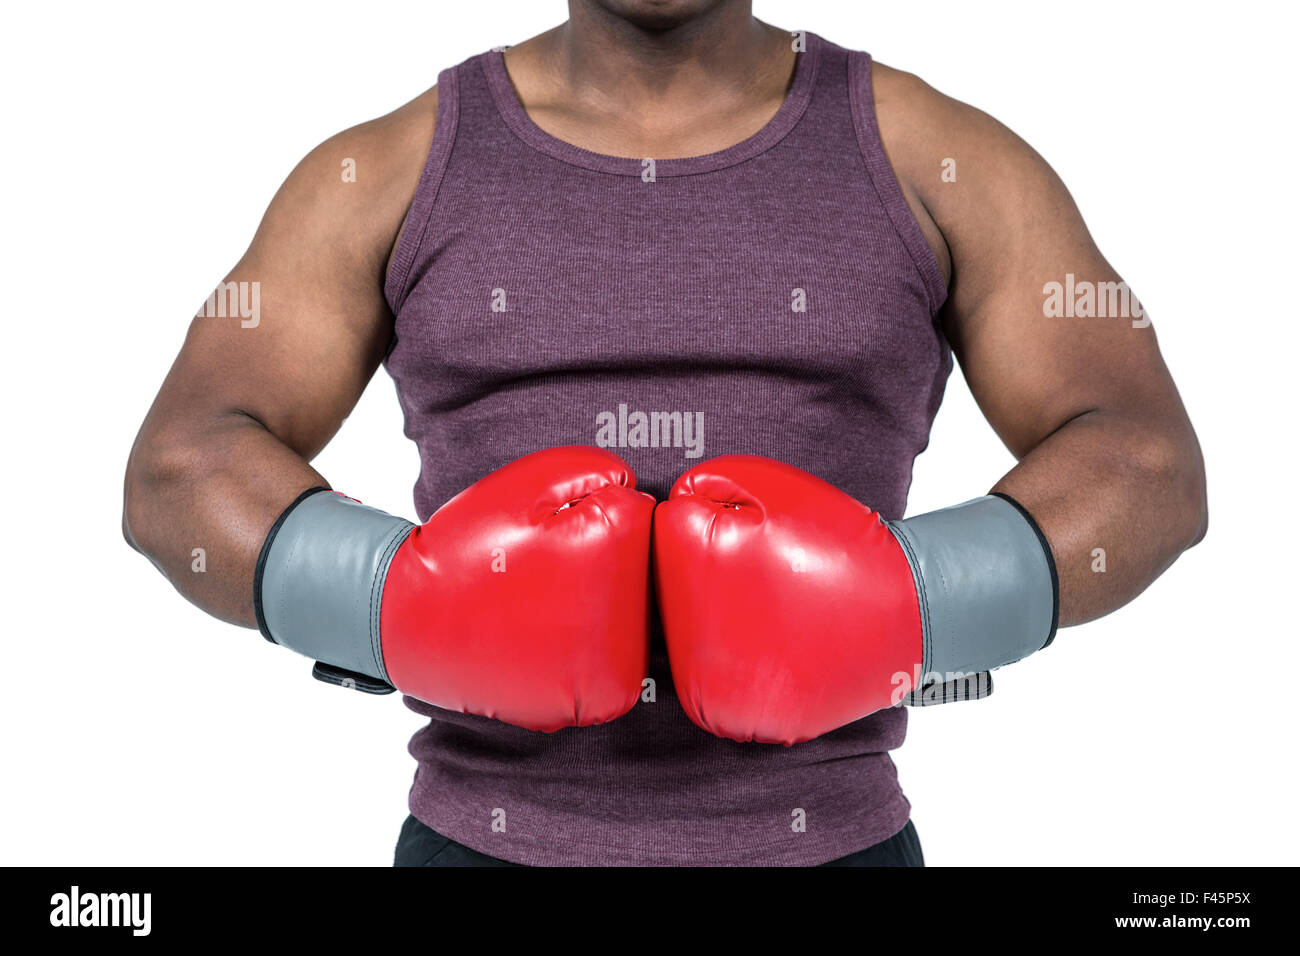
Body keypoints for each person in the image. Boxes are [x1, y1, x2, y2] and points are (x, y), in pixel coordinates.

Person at [123, 0, 1207, 867]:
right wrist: (398, 602)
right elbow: (182, 466)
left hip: (831, 847)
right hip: (480, 847)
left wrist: (904, 602)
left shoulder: (937, 158)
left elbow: (1145, 459)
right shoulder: (387, 171)